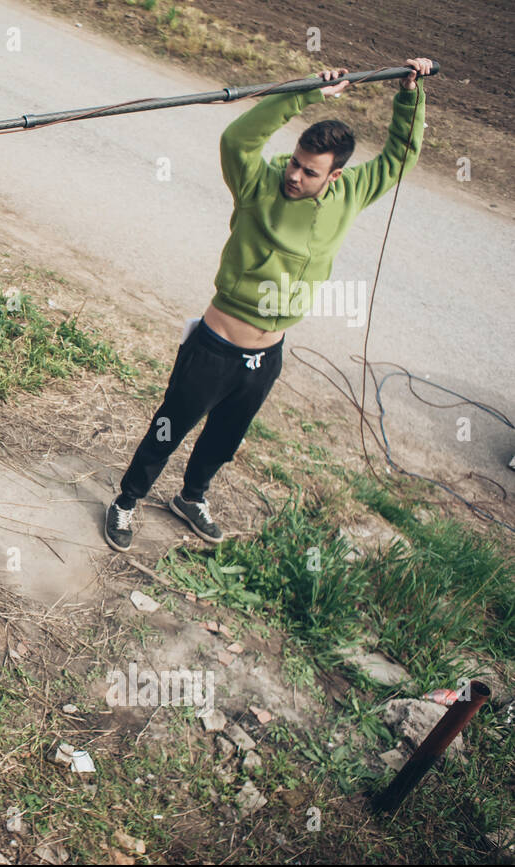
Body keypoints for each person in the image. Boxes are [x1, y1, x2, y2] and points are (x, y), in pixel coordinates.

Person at [105, 58, 431, 551]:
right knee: (169, 428)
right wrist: (302, 94)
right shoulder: (259, 183)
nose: (296, 175)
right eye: (296, 162)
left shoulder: (350, 195)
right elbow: (237, 139)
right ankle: (127, 501)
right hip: (215, 347)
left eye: (310, 171)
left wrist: (409, 95)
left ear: (336, 177)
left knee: (225, 439)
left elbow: (399, 158)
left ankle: (192, 497)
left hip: (266, 356)